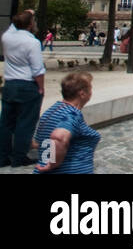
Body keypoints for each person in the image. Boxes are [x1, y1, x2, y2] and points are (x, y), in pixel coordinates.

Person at [1, 10, 45, 168]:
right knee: (25, 123)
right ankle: (19, 157)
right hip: (27, 85)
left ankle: (2, 156)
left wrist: (26, 13)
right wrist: (41, 88)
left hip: (10, 84)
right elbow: (37, 70)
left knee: (6, 123)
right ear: (30, 24)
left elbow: (14, 26)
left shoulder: (7, 37)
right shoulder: (32, 42)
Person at [31, 71, 99, 175]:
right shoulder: (72, 114)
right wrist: (53, 163)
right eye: (90, 89)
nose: (91, 92)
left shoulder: (50, 112)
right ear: (82, 93)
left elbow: (38, 143)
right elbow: (59, 137)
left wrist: (48, 163)